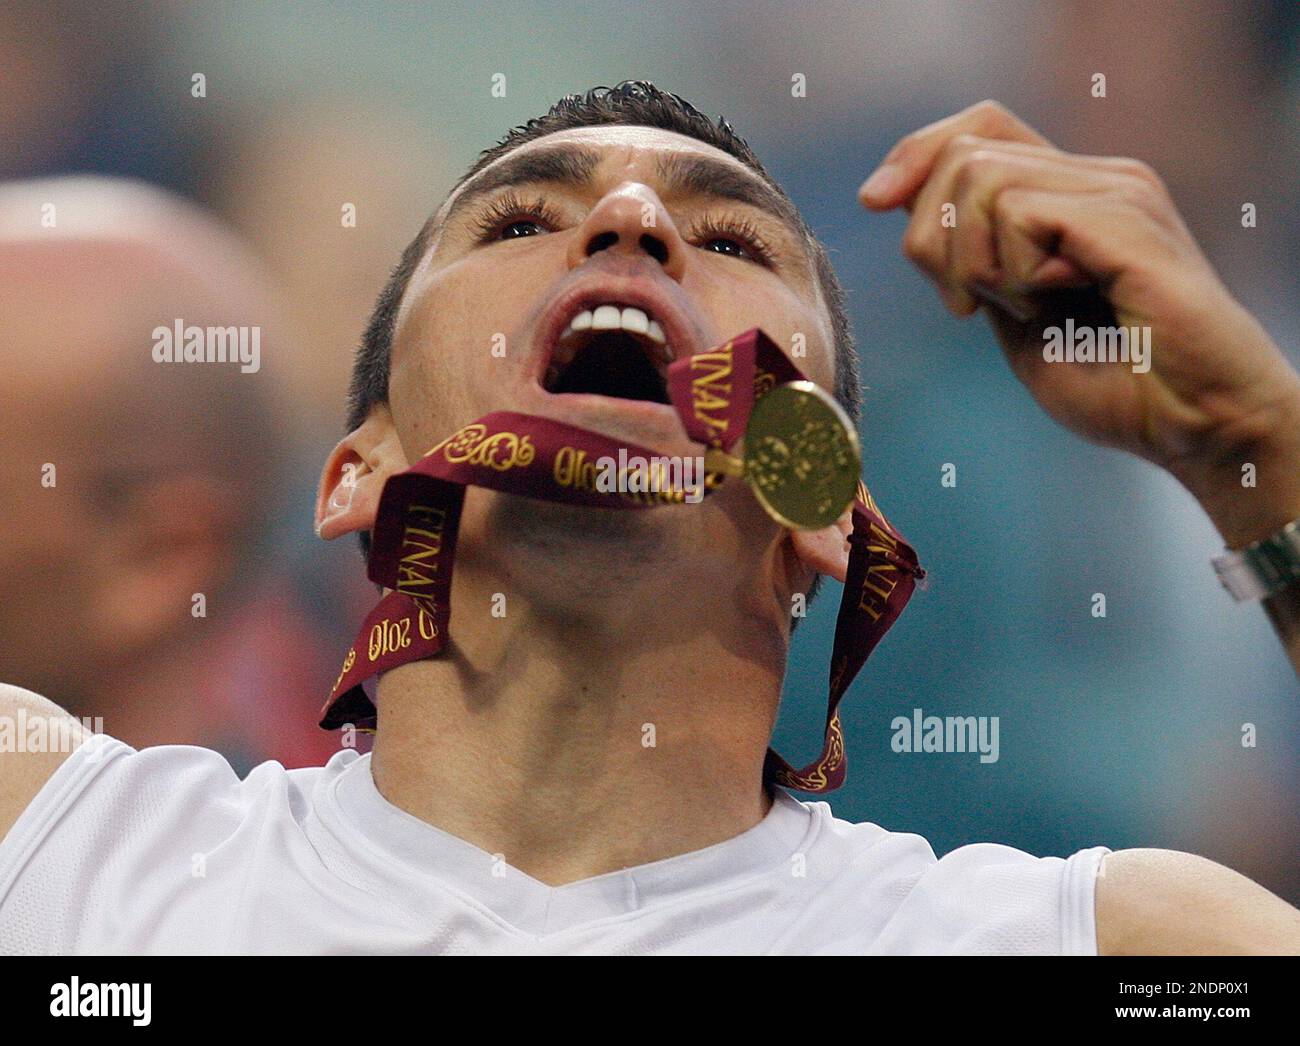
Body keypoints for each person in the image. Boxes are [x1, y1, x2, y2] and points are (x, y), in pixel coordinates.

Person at [2, 84, 1298, 955]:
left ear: (827, 510)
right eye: (521, 220)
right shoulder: (60, 853)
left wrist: (1255, 450)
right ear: (357, 473)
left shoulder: (1101, 945)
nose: (630, 223)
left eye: (730, 241)